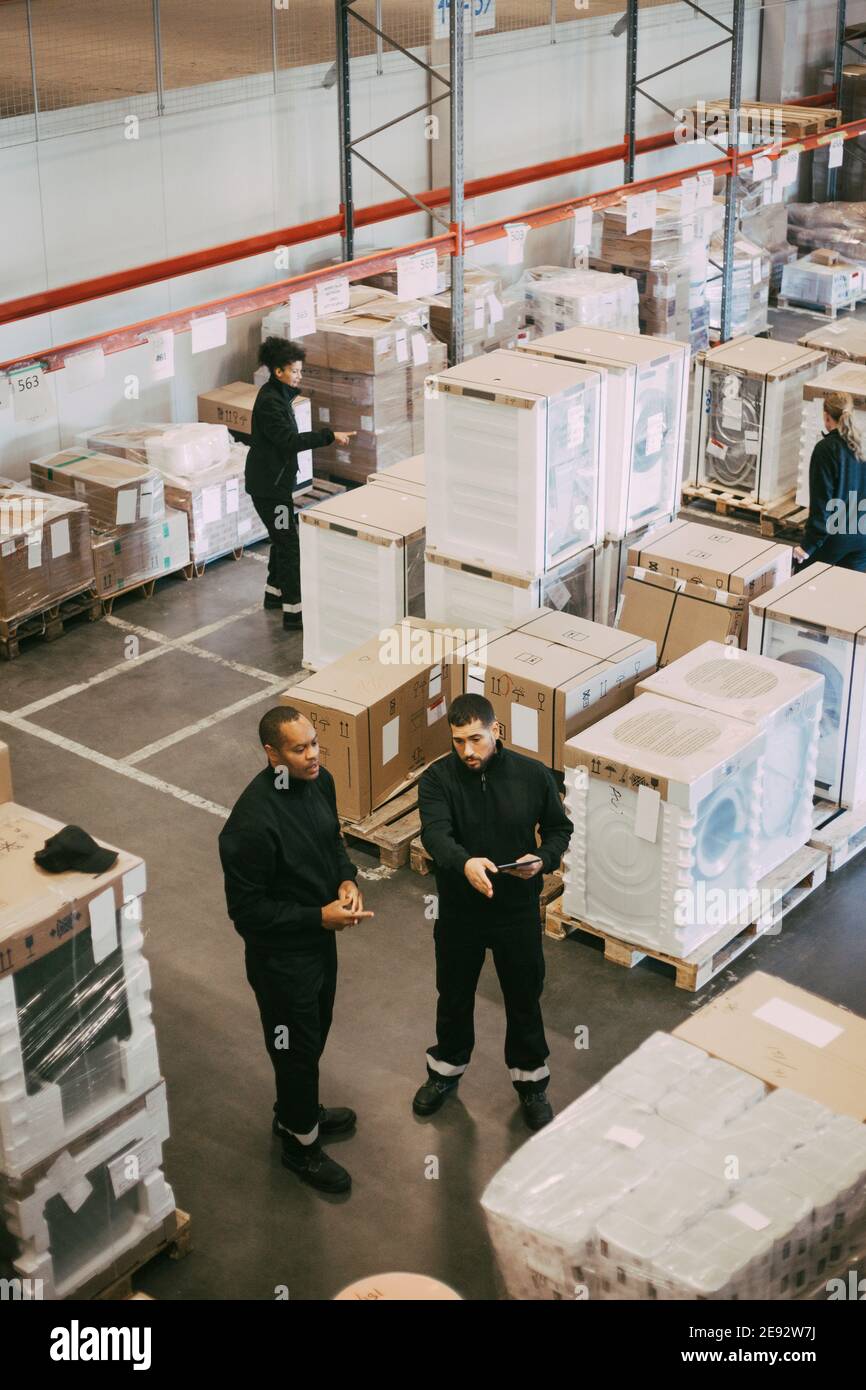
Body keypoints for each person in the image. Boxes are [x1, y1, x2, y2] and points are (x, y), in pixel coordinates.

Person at [218, 706, 373, 1194]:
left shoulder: (319, 782)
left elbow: (333, 841)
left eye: (314, 743)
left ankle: (296, 1113)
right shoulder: (249, 827)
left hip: (319, 943)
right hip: (281, 960)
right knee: (296, 1049)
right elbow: (247, 914)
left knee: (316, 1032)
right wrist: (316, 917)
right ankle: (299, 1148)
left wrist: (347, 878)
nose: (312, 756)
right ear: (271, 753)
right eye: (299, 748)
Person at [413, 694, 573, 1132]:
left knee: (523, 996)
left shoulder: (532, 775)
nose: (468, 751)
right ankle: (445, 1069)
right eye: (459, 741)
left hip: (516, 911)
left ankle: (531, 1083)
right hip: (460, 913)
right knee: (454, 993)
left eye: (477, 739)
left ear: (496, 730)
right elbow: (435, 834)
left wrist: (543, 859)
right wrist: (464, 863)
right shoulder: (437, 780)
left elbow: (560, 828)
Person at [246, 338, 355, 631]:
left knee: (281, 538)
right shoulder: (271, 402)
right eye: (295, 371)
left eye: (300, 371)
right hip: (271, 491)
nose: (299, 376)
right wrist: (330, 435)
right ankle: (294, 612)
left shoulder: (279, 396)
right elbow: (290, 441)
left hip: (274, 485)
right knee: (289, 544)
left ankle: (273, 594)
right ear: (279, 371)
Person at [793, 390, 866, 573]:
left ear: (826, 417)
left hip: (834, 537)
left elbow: (822, 502)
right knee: (846, 591)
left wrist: (807, 546)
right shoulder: (862, 446)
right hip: (862, 538)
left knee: (802, 583)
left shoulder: (826, 450)